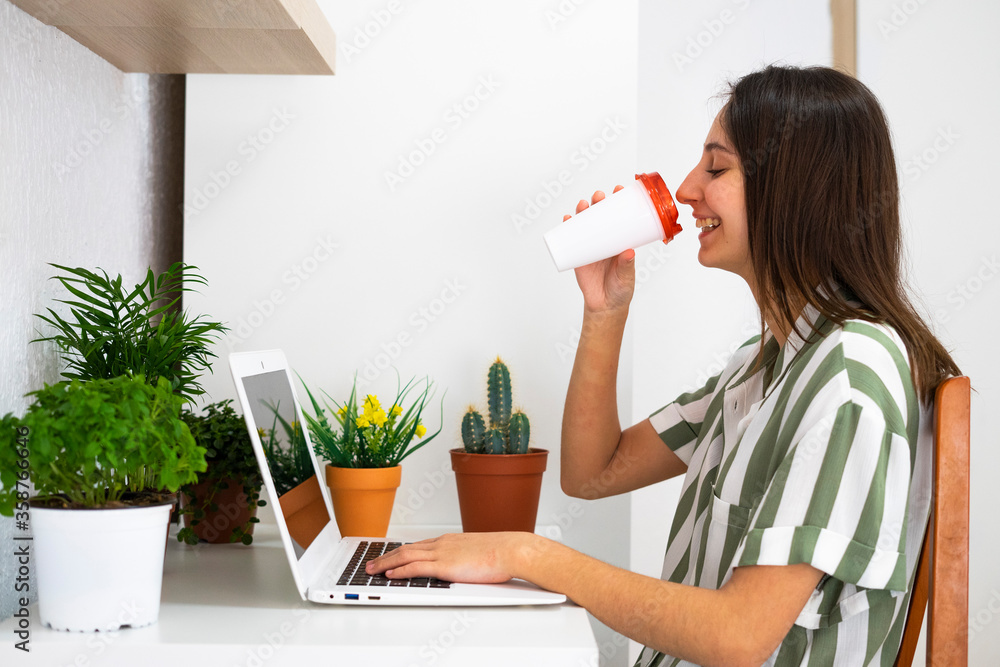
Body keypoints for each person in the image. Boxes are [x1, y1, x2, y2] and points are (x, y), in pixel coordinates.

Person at [368, 65, 961, 666]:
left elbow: (738, 636)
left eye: (716, 168)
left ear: (796, 187)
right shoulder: (764, 367)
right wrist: (605, 311)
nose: (685, 189)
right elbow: (592, 473)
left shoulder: (848, 378)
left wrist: (526, 555)